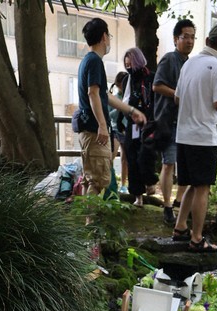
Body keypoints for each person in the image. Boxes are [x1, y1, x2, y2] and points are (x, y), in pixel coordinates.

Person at [173, 23, 217, 251]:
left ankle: (180, 227)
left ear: (207, 41)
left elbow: (177, 98)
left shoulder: (189, 63)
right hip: (202, 136)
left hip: (183, 134)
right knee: (203, 187)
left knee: (192, 183)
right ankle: (197, 238)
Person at [77, 18, 146, 196]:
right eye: (109, 36)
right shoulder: (95, 61)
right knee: (98, 181)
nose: (109, 40)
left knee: (89, 180)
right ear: (104, 37)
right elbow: (93, 93)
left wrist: (131, 110)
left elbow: (104, 96)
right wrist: (102, 125)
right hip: (95, 131)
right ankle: (91, 216)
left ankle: (86, 215)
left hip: (88, 130)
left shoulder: (87, 60)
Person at [153, 19, 196, 226]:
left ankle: (179, 201)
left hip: (187, 121)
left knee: (186, 165)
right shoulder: (169, 59)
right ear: (175, 39)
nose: (190, 41)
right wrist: (178, 95)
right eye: (185, 37)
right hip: (169, 120)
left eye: (193, 37)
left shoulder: (191, 63)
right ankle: (167, 206)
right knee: (169, 163)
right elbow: (157, 85)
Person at [120, 47, 155, 207]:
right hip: (132, 125)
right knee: (132, 158)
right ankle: (137, 195)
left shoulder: (150, 78)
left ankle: (150, 182)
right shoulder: (127, 80)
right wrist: (121, 120)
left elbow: (154, 101)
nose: (129, 68)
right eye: (126, 65)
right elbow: (123, 103)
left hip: (148, 123)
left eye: (131, 64)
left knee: (146, 155)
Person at [109, 70, 128, 192]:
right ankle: (110, 183)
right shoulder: (114, 98)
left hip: (126, 130)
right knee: (111, 156)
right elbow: (109, 114)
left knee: (125, 159)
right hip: (115, 129)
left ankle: (123, 185)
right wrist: (119, 108)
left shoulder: (129, 97)